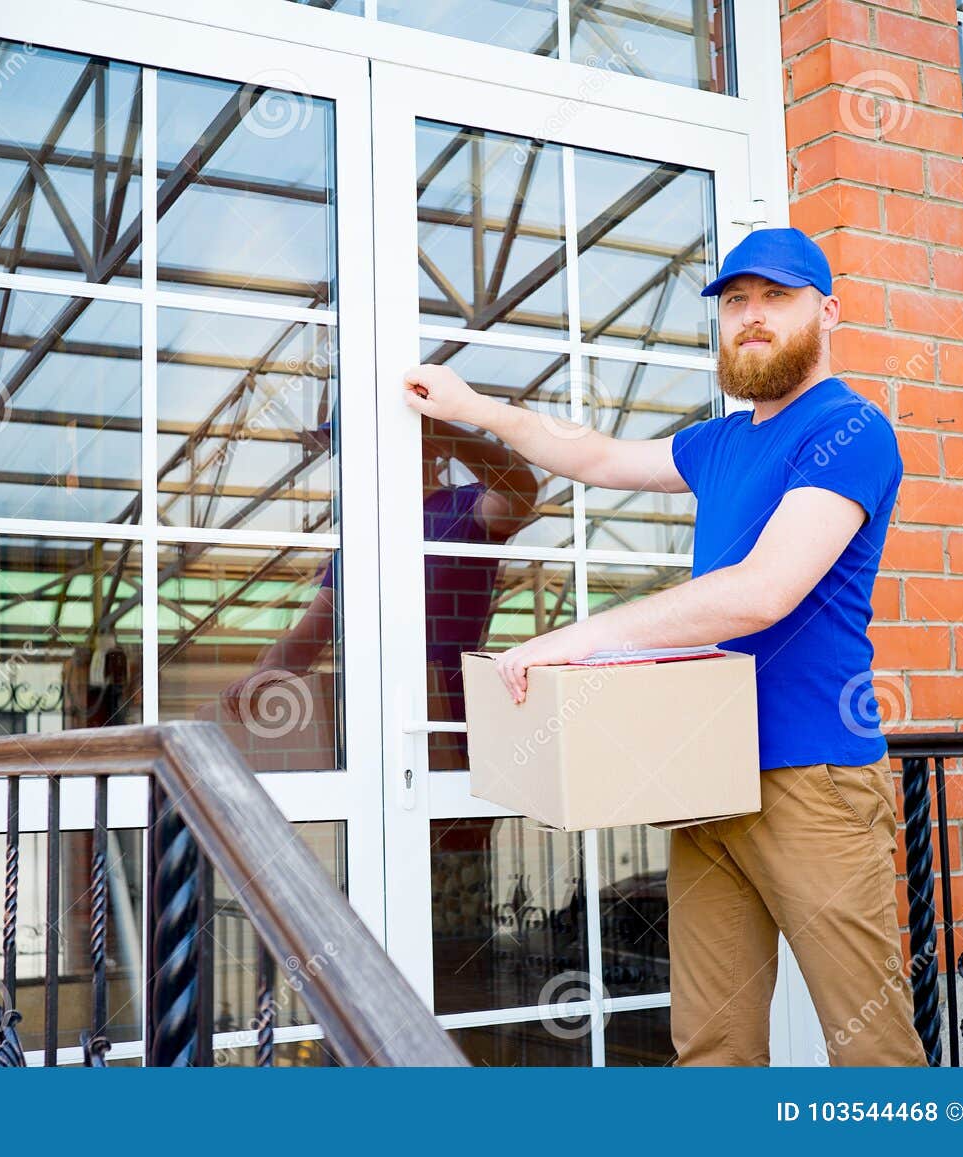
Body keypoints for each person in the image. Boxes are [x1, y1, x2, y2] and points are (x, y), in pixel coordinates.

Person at [400, 227, 926, 1066]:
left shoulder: (850, 429)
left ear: (826, 312)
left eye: (776, 299)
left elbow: (763, 590)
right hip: (705, 770)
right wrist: (475, 410)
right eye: (735, 303)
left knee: (870, 1048)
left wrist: (576, 640)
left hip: (811, 778)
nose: (751, 318)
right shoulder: (720, 442)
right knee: (711, 1046)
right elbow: (600, 457)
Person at [220, 417, 540, 758]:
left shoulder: (466, 508)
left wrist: (433, 427)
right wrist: (265, 673)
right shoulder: (361, 542)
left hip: (452, 726)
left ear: (430, 448)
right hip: (375, 730)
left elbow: (518, 486)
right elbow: (306, 639)